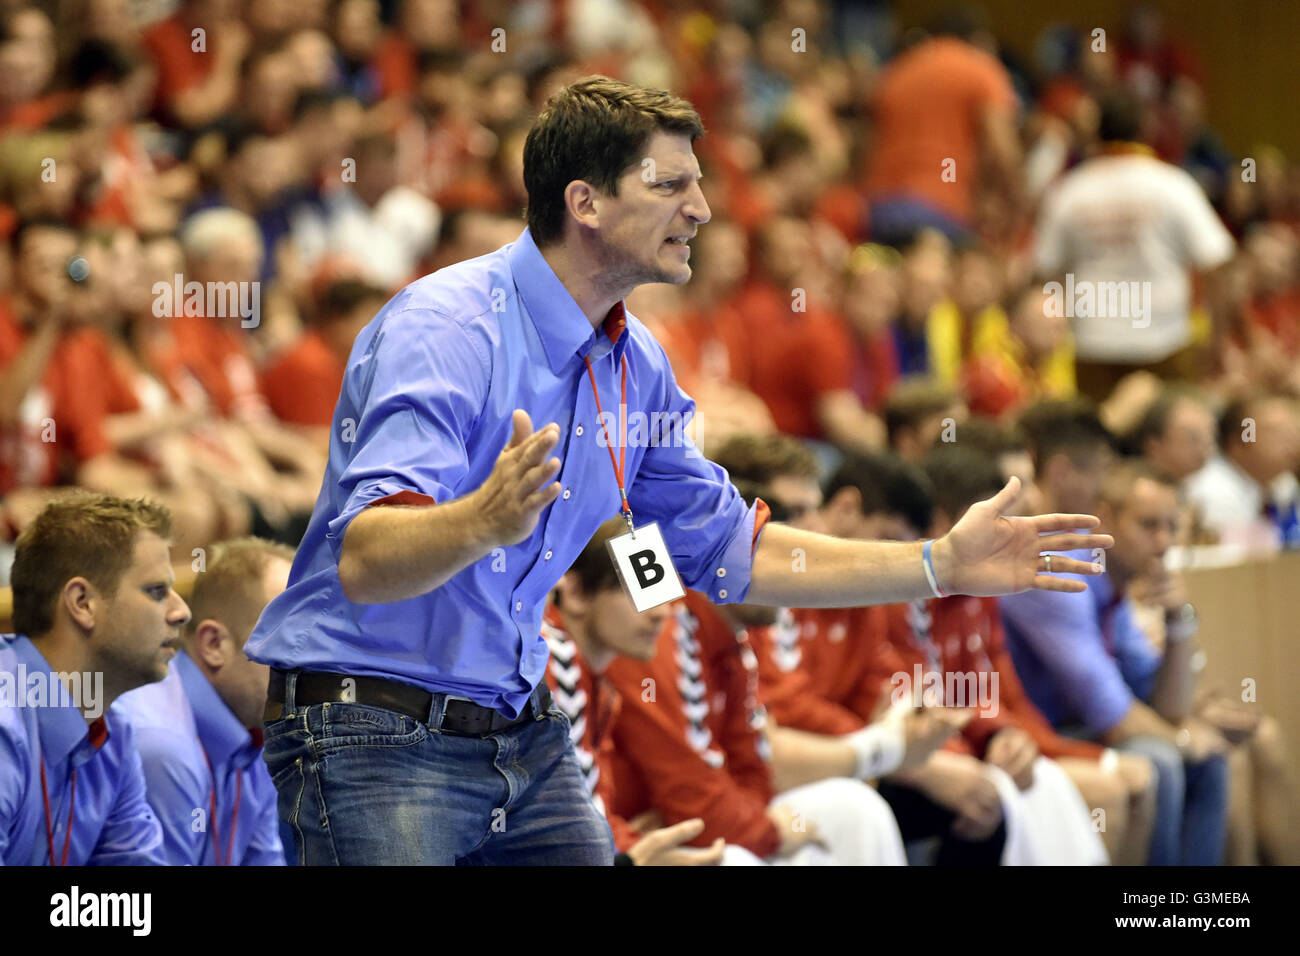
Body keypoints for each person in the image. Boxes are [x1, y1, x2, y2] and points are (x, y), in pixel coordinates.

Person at [246, 76, 1111, 866]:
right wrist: (480, 521)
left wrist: (940, 566)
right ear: (584, 201)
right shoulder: (446, 327)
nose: (700, 209)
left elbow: (740, 554)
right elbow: (364, 559)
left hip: (517, 726)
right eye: (669, 186)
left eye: (697, 184)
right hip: (371, 724)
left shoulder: (637, 363)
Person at [1001, 461, 1229, 865]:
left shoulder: (1112, 579)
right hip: (1025, 735)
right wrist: (1181, 740)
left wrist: (1178, 620)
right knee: (1160, 759)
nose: (1163, 543)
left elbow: (1166, 706)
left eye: (1172, 527)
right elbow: (1112, 714)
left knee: (1210, 756)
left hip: (1076, 727)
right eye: (1148, 525)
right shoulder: (1064, 571)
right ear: (1104, 515)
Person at [0, 493, 189, 864]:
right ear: (82, 603)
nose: (182, 611)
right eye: (156, 591)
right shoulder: (5, 725)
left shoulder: (111, 732)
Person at [1033, 92, 1235, 402]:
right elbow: (1216, 263)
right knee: (1167, 443)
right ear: (1145, 130)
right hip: (1164, 342)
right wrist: (1218, 341)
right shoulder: (1173, 186)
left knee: (1099, 441)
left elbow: (1046, 273)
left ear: (1097, 132)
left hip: (1093, 344)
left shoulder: (1069, 192)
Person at [114, 538, 294, 865]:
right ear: (213, 644)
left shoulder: (255, 730)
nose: (309, 666)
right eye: (291, 640)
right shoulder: (163, 747)